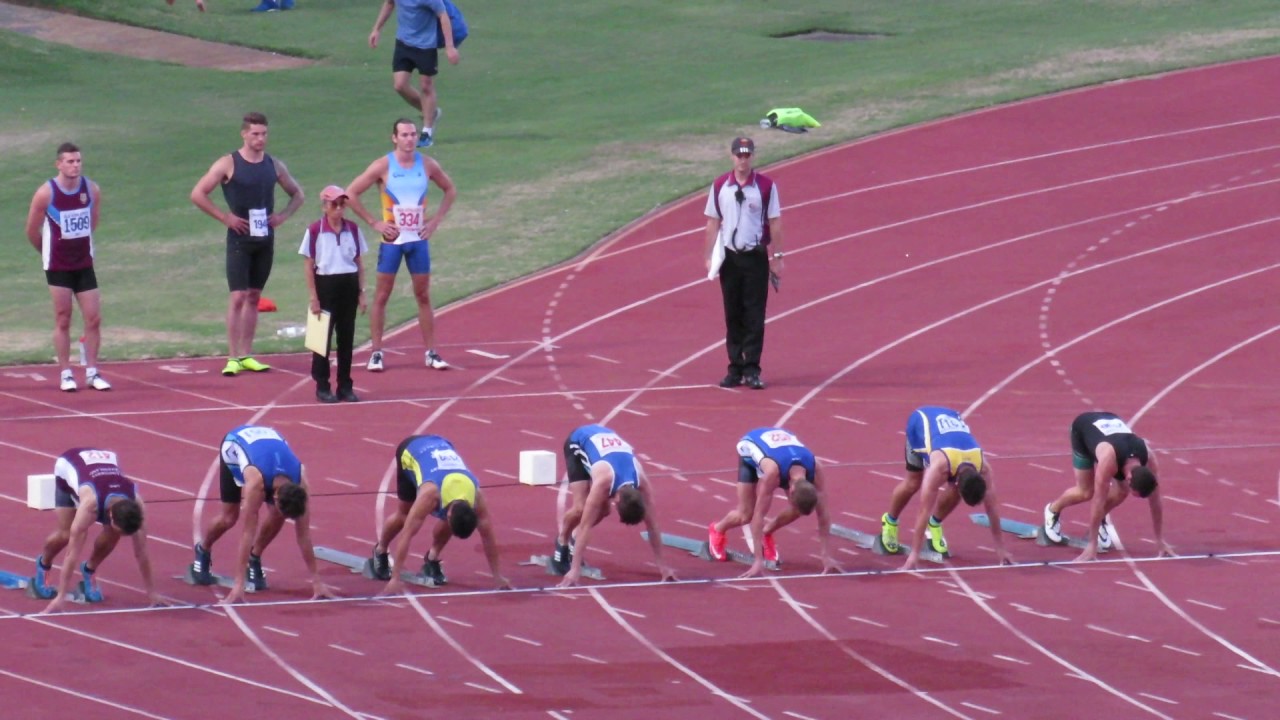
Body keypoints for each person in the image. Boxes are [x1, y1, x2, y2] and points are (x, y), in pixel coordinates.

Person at [191, 112, 305, 378]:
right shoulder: (228, 163)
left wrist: (282, 216)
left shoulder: (274, 165)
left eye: (264, 133)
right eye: (255, 134)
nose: (260, 139)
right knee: (238, 296)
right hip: (240, 239)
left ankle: (246, 354)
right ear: (244, 134)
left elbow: (298, 194)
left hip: (264, 239)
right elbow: (198, 194)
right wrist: (225, 218)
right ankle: (232, 357)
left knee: (254, 296)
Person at [345, 118, 457, 372]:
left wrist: (436, 221)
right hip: (393, 241)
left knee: (423, 295)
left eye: (413, 134)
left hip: (418, 240)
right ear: (394, 138)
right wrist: (375, 222)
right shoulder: (383, 165)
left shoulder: (427, 165)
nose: (409, 139)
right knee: (382, 295)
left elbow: (450, 190)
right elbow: (350, 193)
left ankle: (431, 352)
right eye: (404, 135)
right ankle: (376, 353)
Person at [189, 424, 334, 603]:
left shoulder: (301, 482)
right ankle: (203, 549)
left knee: (276, 515)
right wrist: (238, 585)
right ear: (275, 496)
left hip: (268, 445)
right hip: (235, 446)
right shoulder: (255, 483)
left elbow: (304, 536)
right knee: (229, 518)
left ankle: (255, 556)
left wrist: (317, 581)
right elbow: (247, 532)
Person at [369, 435, 510, 593]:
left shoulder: (476, 496)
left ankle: (432, 558)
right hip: (410, 452)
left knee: (453, 524)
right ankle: (380, 550)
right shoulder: (430, 494)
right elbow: (407, 535)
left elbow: (488, 537)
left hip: (442, 445)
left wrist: (498, 576)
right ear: (448, 515)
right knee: (403, 516)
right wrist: (395, 578)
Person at [880, 406, 1014, 571]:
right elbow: (923, 510)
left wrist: (1000, 549)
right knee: (913, 483)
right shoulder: (939, 468)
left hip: (949, 428)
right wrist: (914, 555)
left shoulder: (983, 467)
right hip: (919, 426)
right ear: (956, 483)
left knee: (957, 493)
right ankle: (890, 522)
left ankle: (935, 524)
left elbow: (992, 507)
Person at [24, 142, 111, 393]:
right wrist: (47, 253)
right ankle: (65, 373)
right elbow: (31, 230)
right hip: (58, 266)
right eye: (70, 161)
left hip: (84, 263)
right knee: (63, 318)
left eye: (78, 161)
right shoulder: (46, 193)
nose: (75, 165)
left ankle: (92, 372)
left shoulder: (91, 189)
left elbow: (92, 221)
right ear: (59, 164)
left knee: (93, 318)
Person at [32, 448, 162, 612]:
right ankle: (44, 564)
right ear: (111, 517)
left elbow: (142, 552)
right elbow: (71, 554)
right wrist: (61, 595)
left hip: (102, 472)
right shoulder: (90, 505)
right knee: (66, 535)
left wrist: (152, 593)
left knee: (113, 534)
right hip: (68, 466)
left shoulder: (137, 504)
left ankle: (89, 568)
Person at [703, 136, 783, 390]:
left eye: (747, 155)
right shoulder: (719, 187)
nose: (743, 159)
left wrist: (777, 257)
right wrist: (708, 257)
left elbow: (775, 223)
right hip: (730, 258)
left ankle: (752, 369)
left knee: (755, 315)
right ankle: (734, 367)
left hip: (755, 257)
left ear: (753, 157)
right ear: (732, 156)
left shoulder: (766, 187)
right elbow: (712, 222)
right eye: (739, 154)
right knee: (733, 314)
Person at [708, 427, 840, 578]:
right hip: (750, 450)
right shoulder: (772, 474)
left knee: (799, 508)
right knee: (746, 515)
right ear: (790, 491)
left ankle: (768, 532)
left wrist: (826, 556)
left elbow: (824, 516)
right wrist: (758, 561)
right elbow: (758, 517)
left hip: (782, 451)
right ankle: (717, 529)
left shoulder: (816, 469)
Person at [554, 424, 676, 587]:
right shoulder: (603, 482)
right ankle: (562, 540)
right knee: (581, 509)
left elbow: (652, 525)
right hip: (578, 442)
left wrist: (663, 567)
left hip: (605, 441)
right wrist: (574, 570)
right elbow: (585, 526)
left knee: (604, 510)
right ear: (616, 499)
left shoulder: (642, 483)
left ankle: (573, 544)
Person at [1044, 411, 1172, 562]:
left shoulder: (1149, 459)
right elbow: (1098, 501)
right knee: (1086, 492)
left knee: (1122, 491)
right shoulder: (1108, 462)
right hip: (1083, 430)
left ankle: (1099, 523)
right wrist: (1092, 545)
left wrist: (1160, 540)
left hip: (1111, 424)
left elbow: (1156, 503)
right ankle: (1053, 510)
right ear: (1129, 477)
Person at [299, 185, 368, 403]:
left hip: (348, 283)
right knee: (321, 340)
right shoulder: (314, 231)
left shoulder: (353, 229)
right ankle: (322, 386)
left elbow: (359, 262)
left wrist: (361, 292)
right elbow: (309, 265)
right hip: (325, 284)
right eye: (334, 204)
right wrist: (314, 297)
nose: (338, 209)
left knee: (346, 338)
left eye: (342, 204)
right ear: (325, 207)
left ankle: (345, 386)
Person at [368, 0, 463, 149]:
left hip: (426, 46)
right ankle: (431, 113)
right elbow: (389, 3)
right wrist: (376, 29)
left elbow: (443, 15)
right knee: (400, 85)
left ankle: (427, 133)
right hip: (403, 42)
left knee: (426, 85)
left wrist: (450, 47)